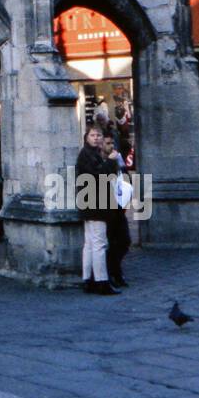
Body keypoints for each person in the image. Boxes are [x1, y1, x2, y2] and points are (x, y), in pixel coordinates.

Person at [76, 125, 120, 296]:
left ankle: (88, 279)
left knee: (90, 243)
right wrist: (111, 161)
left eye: (98, 135)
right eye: (92, 135)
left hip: (91, 203)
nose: (96, 138)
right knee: (99, 244)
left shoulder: (90, 154)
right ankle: (102, 281)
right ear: (87, 137)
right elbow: (99, 176)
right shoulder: (88, 155)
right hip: (95, 204)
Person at [103, 132, 131, 288]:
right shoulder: (102, 161)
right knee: (111, 242)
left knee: (124, 241)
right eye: (108, 143)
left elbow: (125, 178)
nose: (111, 146)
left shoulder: (117, 159)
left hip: (119, 206)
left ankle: (115, 270)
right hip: (106, 207)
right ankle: (113, 272)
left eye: (112, 143)